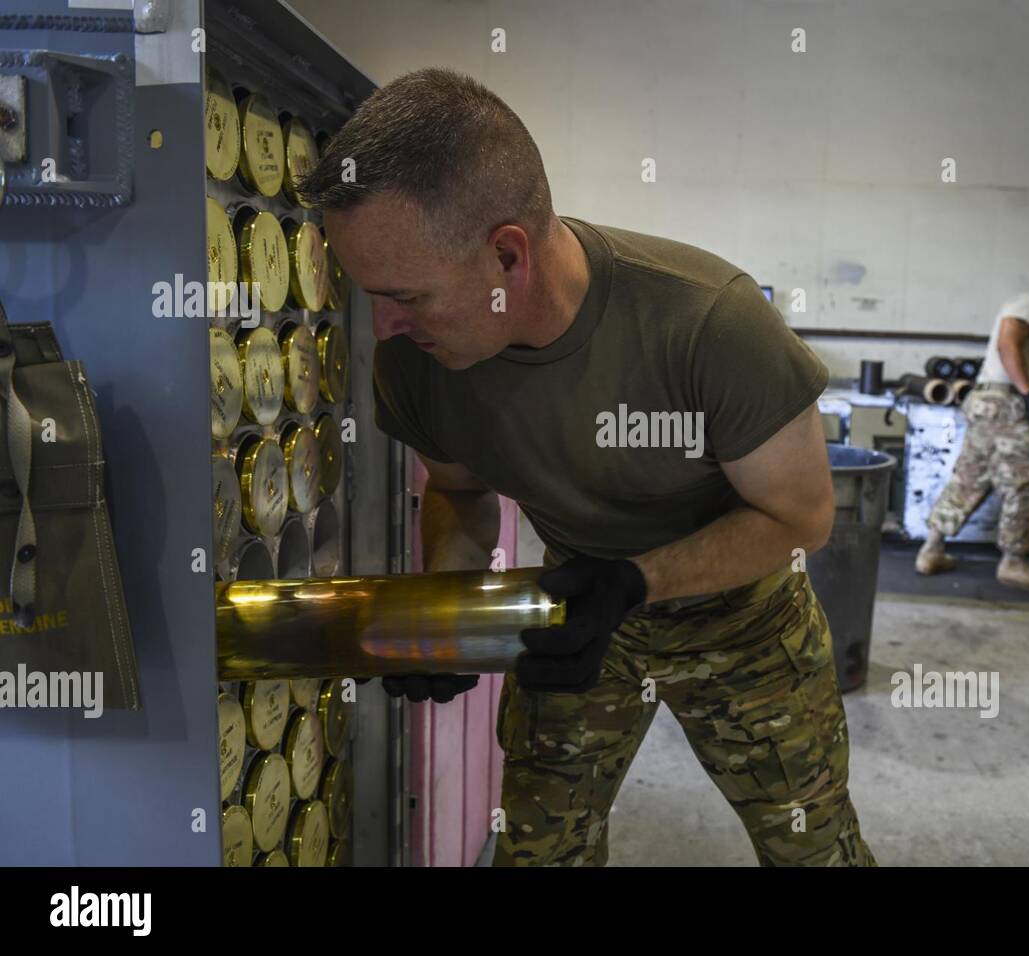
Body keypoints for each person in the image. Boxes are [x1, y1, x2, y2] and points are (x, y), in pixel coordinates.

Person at [297, 68, 873, 866]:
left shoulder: (709, 323)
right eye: (370, 295)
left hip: (746, 625)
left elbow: (799, 517)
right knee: (538, 854)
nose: (384, 327)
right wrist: (452, 615)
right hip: (573, 617)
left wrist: (632, 582)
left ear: (508, 255)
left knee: (811, 850)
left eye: (408, 297)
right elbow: (460, 492)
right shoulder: (415, 357)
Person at [915, 256, 1029, 592]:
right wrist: (1028, 392)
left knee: (971, 476)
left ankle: (931, 550)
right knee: (1025, 480)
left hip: (989, 404)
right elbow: (1007, 342)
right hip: (1004, 404)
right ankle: (1013, 563)